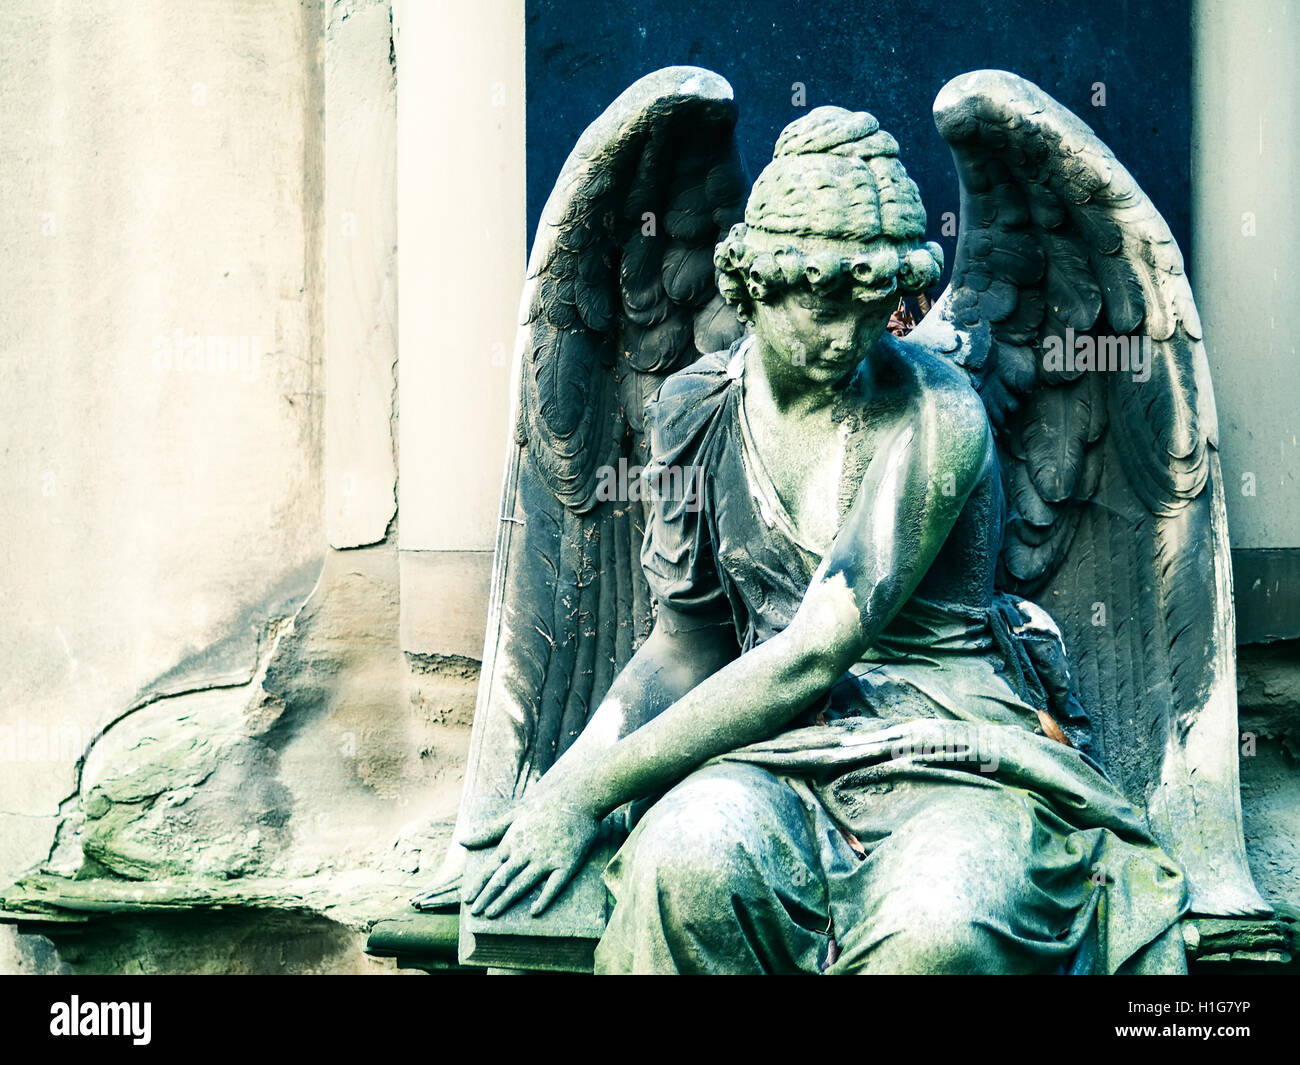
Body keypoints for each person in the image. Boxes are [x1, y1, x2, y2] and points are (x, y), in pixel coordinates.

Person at [462, 106, 1188, 974]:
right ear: (753, 281)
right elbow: (684, 646)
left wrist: (591, 790)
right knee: (682, 864)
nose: (848, 335)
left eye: (873, 302)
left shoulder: (938, 411)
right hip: (773, 750)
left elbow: (813, 651)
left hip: (948, 750)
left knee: (938, 928)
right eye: (820, 301)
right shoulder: (695, 412)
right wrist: (558, 786)